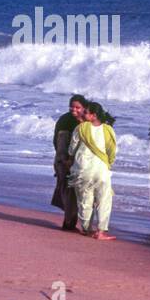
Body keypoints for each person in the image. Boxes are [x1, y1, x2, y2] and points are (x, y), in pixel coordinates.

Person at [68, 101, 118, 241]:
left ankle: (86, 229)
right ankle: (100, 231)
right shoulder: (108, 130)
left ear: (93, 115)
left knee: (84, 200)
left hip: (82, 169)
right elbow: (112, 151)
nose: (82, 114)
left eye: (85, 112)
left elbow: (71, 149)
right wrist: (108, 163)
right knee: (104, 200)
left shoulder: (81, 128)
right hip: (101, 169)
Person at [51, 94, 87, 230]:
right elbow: (57, 142)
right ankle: (69, 223)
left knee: (77, 192)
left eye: (78, 107)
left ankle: (75, 223)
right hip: (64, 160)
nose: (74, 110)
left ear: (84, 108)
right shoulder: (65, 120)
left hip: (79, 161)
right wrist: (65, 161)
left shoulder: (87, 121)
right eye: (72, 107)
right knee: (69, 191)